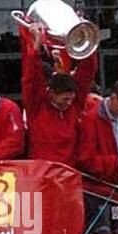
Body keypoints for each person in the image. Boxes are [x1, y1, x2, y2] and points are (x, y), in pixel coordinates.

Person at [20, 31, 96, 167]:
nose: (69, 103)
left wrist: (87, 42)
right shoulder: (36, 106)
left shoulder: (74, 105)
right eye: (65, 99)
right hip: (41, 173)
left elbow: (87, 74)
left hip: (68, 174)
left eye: (71, 99)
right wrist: (36, 47)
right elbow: (31, 79)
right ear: (51, 93)